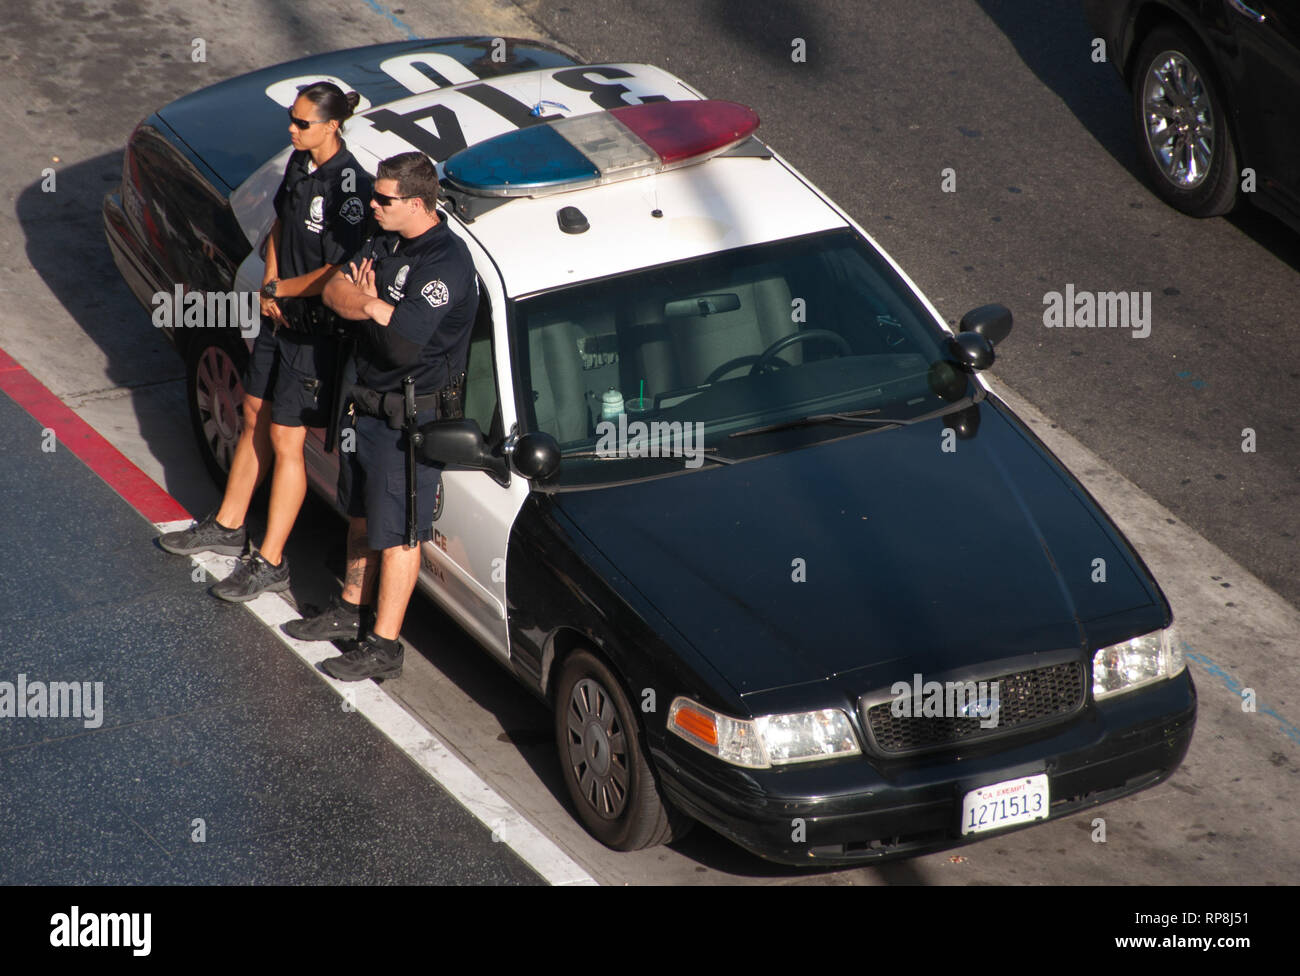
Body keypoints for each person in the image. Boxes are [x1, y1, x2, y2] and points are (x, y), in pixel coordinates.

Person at [158, 82, 373, 603]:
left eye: (302, 124)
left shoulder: (350, 189)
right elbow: (280, 225)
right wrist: (270, 281)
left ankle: (271, 559)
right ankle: (229, 523)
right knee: (253, 412)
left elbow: (337, 271)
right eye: (292, 120)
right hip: (279, 319)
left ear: (332, 126)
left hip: (313, 335)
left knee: (286, 440)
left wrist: (283, 290)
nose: (292, 130)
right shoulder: (299, 165)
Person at [287, 150, 477, 681]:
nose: (371, 205)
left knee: (398, 535)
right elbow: (333, 289)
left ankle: (384, 643)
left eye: (383, 198)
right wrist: (369, 302)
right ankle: (350, 608)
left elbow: (402, 346)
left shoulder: (446, 264)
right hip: (364, 407)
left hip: (406, 425)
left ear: (416, 203)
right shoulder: (385, 239)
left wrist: (369, 304)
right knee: (362, 516)